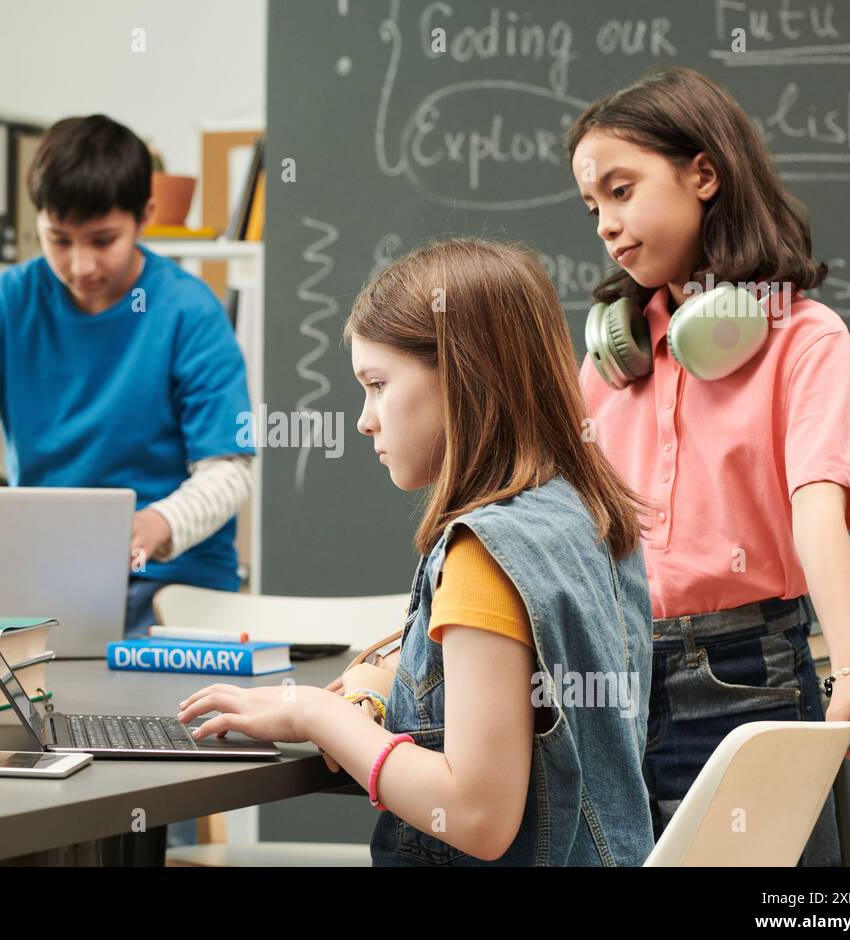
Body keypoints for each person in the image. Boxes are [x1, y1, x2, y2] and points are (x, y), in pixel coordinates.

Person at [178, 238, 656, 865]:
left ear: (464, 378)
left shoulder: (485, 556)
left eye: (377, 385)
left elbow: (476, 816)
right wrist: (375, 690)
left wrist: (316, 715)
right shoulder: (586, 513)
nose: (364, 420)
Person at [567, 67, 850, 865]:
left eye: (622, 190)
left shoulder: (805, 339)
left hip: (746, 676)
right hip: (610, 684)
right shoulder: (611, 364)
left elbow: (817, 511)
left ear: (704, 173)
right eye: (593, 208)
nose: (607, 226)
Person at [0, 114, 254, 640]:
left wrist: (158, 525)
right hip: (44, 581)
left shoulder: (188, 311)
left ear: (146, 215)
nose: (81, 265)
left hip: (174, 588)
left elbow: (229, 470)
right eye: (59, 240)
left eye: (102, 239)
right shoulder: (5, 303)